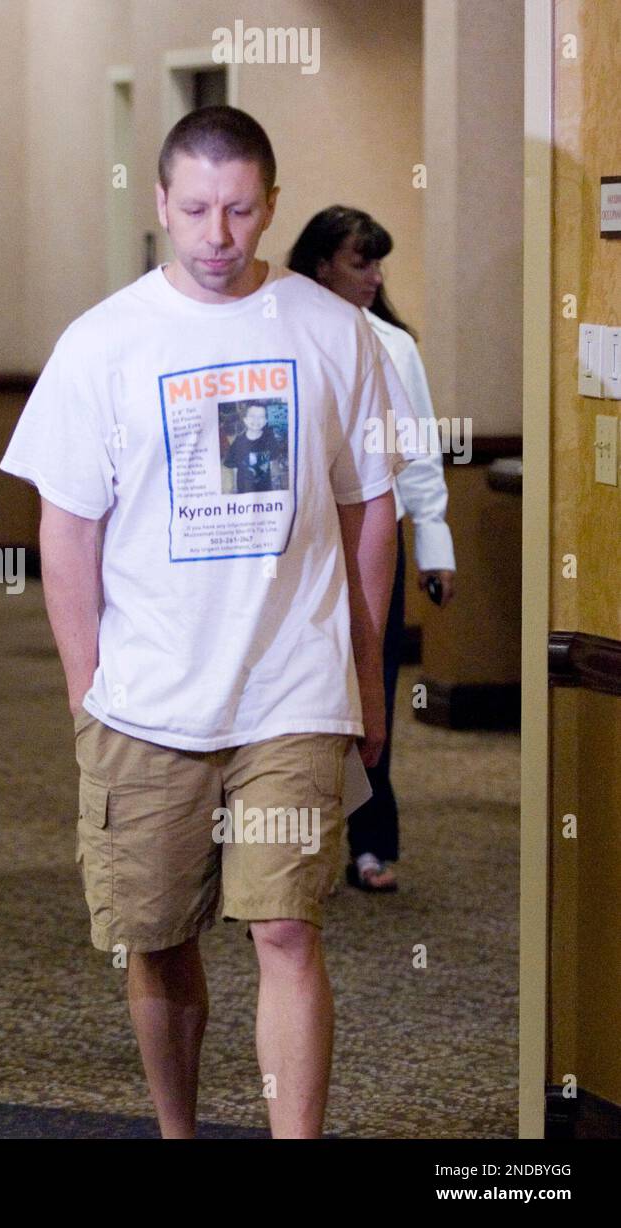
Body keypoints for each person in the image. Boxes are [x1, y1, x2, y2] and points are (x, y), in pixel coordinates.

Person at [0, 105, 413, 1139]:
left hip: (291, 686)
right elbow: (66, 533)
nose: (217, 236)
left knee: (283, 924)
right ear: (159, 205)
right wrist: (86, 684)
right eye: (194, 210)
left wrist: (368, 678)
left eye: (238, 211)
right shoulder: (102, 343)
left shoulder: (332, 331)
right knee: (157, 934)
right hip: (146, 696)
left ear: (270, 204)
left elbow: (370, 516)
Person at [288, 206, 457, 893]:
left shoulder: (392, 345)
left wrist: (435, 545)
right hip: (295, 551)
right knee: (294, 699)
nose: (375, 276)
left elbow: (415, 454)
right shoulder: (279, 327)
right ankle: (286, 848)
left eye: (379, 263)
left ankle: (370, 842)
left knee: (369, 695)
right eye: (362, 261)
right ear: (322, 262)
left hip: (368, 547)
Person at [223, 402, 283, 492]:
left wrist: (274, 486)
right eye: (252, 416)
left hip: (265, 489)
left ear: (266, 421)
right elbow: (234, 467)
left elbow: (273, 463)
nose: (256, 420)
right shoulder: (238, 442)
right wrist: (235, 488)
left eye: (261, 417)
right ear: (245, 420)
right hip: (244, 490)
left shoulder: (270, 439)